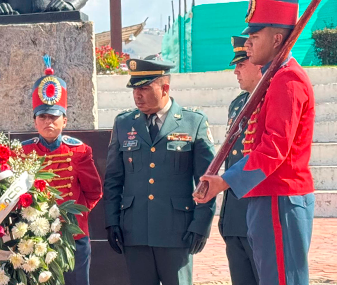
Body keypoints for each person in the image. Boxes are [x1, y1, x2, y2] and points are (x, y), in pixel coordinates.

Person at [195, 0, 315, 285]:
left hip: (279, 196)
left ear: (277, 39)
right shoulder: (273, 79)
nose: (247, 44)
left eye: (254, 36)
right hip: (264, 195)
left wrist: (225, 181)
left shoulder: (287, 81)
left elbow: (274, 148)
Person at [103, 56, 216, 285]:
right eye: (134, 88)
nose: (137, 95)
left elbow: (207, 182)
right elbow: (113, 179)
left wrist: (201, 225)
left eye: (144, 88)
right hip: (135, 231)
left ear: (165, 88)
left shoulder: (192, 123)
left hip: (177, 231)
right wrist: (111, 221)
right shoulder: (124, 123)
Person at [20, 56, 102, 285]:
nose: (49, 122)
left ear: (64, 121)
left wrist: (74, 216)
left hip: (72, 235)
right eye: (43, 117)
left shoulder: (79, 151)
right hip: (34, 236)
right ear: (35, 121)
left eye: (54, 117)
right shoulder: (23, 153)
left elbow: (93, 192)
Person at [219, 36, 262, 285]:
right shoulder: (237, 104)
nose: (235, 71)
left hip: (258, 213)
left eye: (241, 64)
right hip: (236, 216)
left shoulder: (269, 99)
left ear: (257, 63)